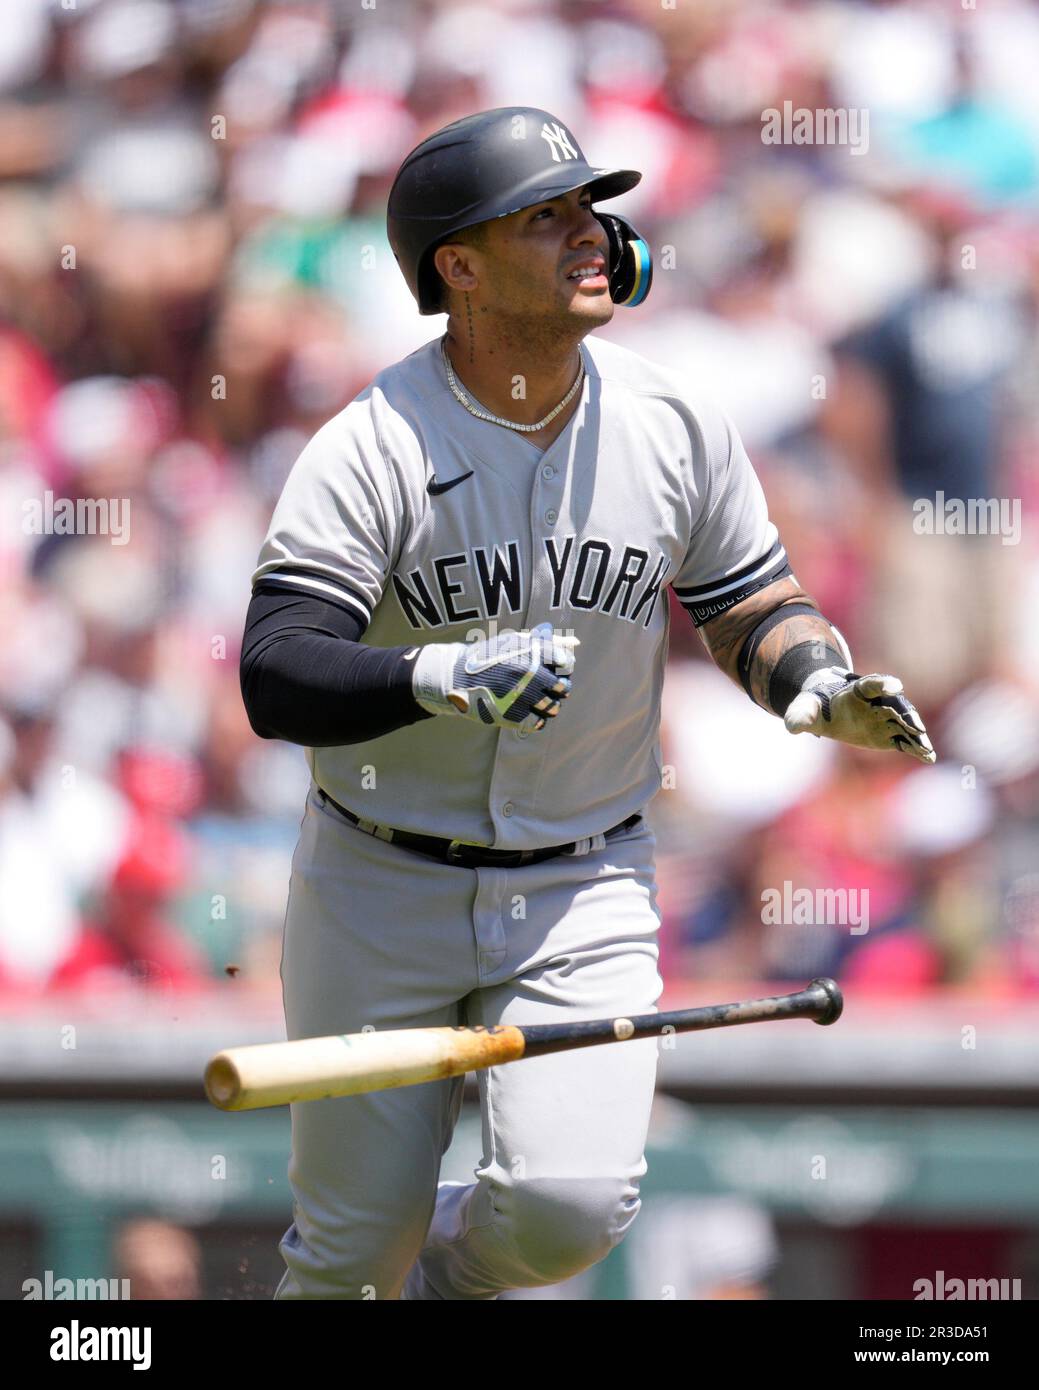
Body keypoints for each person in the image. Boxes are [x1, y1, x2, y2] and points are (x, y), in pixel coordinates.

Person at [239, 106, 933, 1301]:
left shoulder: (673, 419)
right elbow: (275, 669)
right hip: (377, 879)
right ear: (456, 265)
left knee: (566, 1216)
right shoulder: (371, 445)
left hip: (581, 872)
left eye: (589, 209)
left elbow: (751, 601)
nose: (591, 235)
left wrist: (813, 684)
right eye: (546, 214)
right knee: (350, 1253)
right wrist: (436, 676)